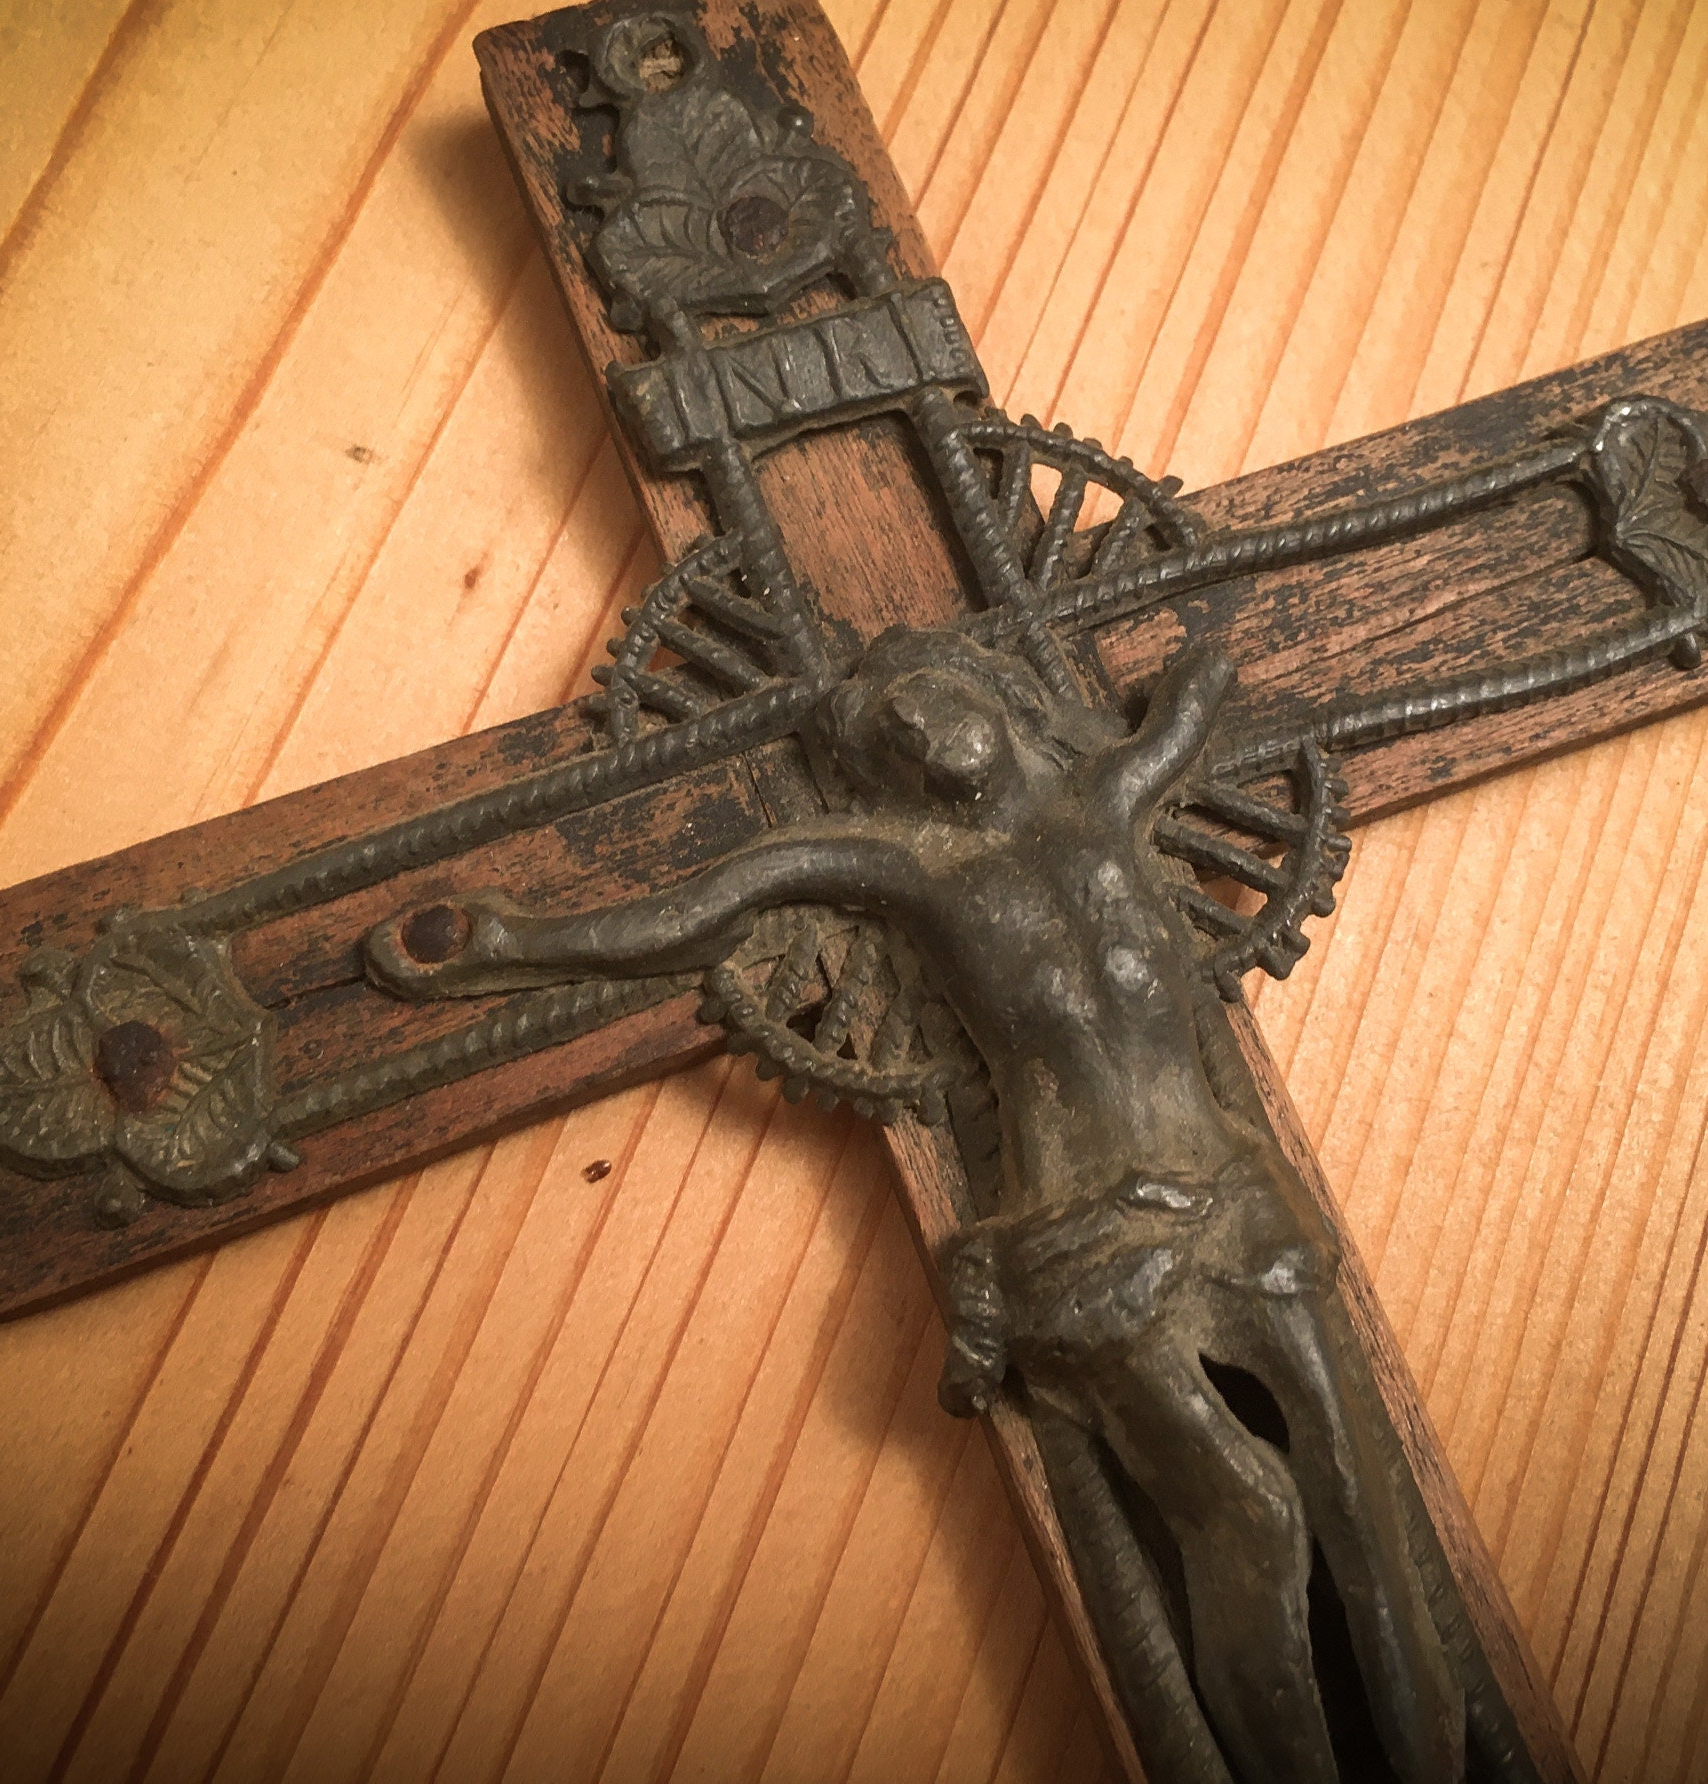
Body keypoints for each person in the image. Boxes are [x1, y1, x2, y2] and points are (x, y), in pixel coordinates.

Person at [368, 626, 1524, 1784]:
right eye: (893, 734)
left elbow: (1197, 692)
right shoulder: (905, 866)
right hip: (1080, 1233)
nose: (922, 733)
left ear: (993, 695)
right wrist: (509, 940)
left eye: (927, 699)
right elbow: (704, 905)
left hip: (1233, 1193)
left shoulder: (1107, 791)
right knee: (1249, 1513)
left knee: (1357, 1491)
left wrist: (1210, 628)